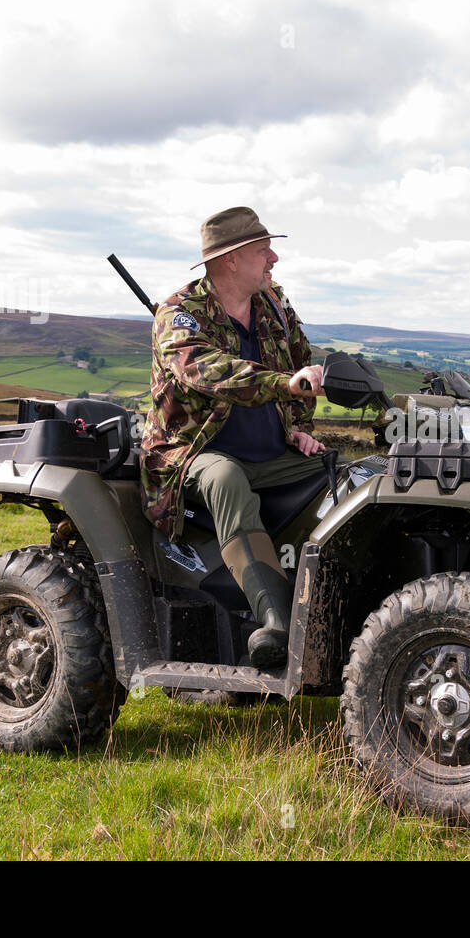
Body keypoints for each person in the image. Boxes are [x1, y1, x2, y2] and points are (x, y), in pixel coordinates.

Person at [141, 207, 327, 669]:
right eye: (264, 250)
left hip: (271, 450)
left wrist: (300, 427)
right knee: (225, 479)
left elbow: (301, 362)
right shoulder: (179, 313)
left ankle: (327, 600)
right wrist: (282, 384)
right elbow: (203, 373)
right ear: (231, 259)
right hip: (194, 453)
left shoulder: (274, 306)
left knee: (343, 476)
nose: (274, 258)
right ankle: (276, 622)